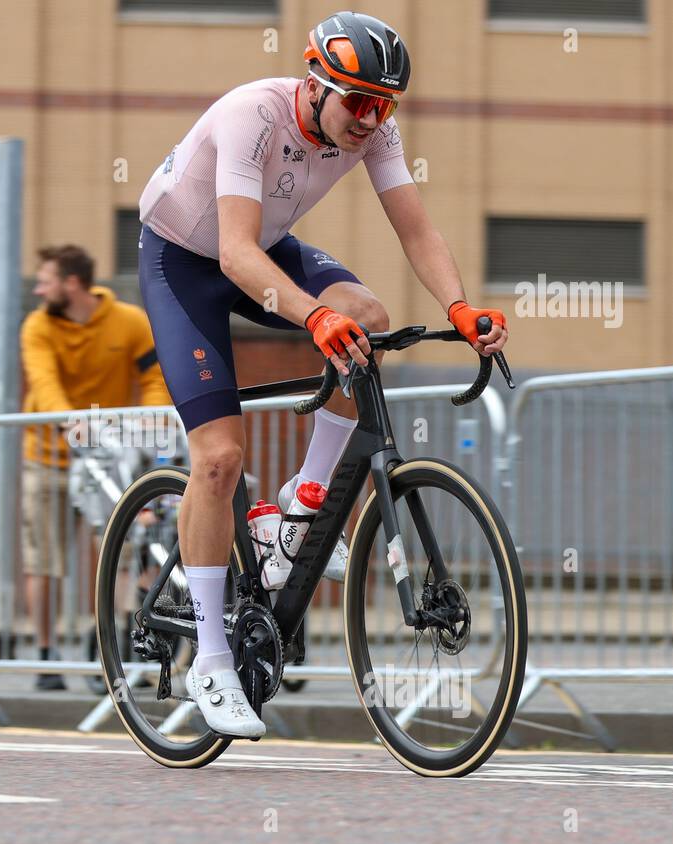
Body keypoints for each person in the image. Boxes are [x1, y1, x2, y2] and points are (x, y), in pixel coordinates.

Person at [137, 11, 509, 737]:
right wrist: (311, 317)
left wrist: (459, 307)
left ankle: (303, 502)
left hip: (262, 251)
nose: (370, 120)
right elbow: (236, 253)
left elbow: (417, 229)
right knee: (219, 457)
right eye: (358, 103)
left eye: (385, 106)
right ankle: (209, 658)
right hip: (185, 260)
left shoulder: (372, 129)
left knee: (363, 317)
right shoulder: (253, 115)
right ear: (316, 84)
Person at [21, 244, 171, 690]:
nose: (38, 288)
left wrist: (153, 416)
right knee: (43, 559)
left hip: (110, 459)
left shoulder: (128, 322)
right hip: (48, 457)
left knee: (123, 554)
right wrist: (72, 420)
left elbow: (157, 376)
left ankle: (117, 642)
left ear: (72, 284)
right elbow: (43, 380)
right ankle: (47, 658)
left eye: (45, 280)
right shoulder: (38, 327)